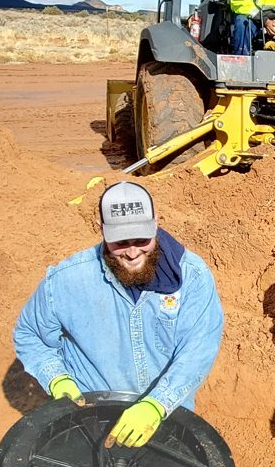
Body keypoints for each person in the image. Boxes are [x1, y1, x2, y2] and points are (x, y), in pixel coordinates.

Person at [13, 181, 224, 448]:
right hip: (90, 422)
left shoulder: (192, 278)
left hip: (163, 418)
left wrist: (156, 405)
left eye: (142, 240)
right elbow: (30, 334)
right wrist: (57, 378)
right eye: (121, 242)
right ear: (101, 230)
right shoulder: (67, 280)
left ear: (156, 223)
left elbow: (198, 348)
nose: (133, 253)